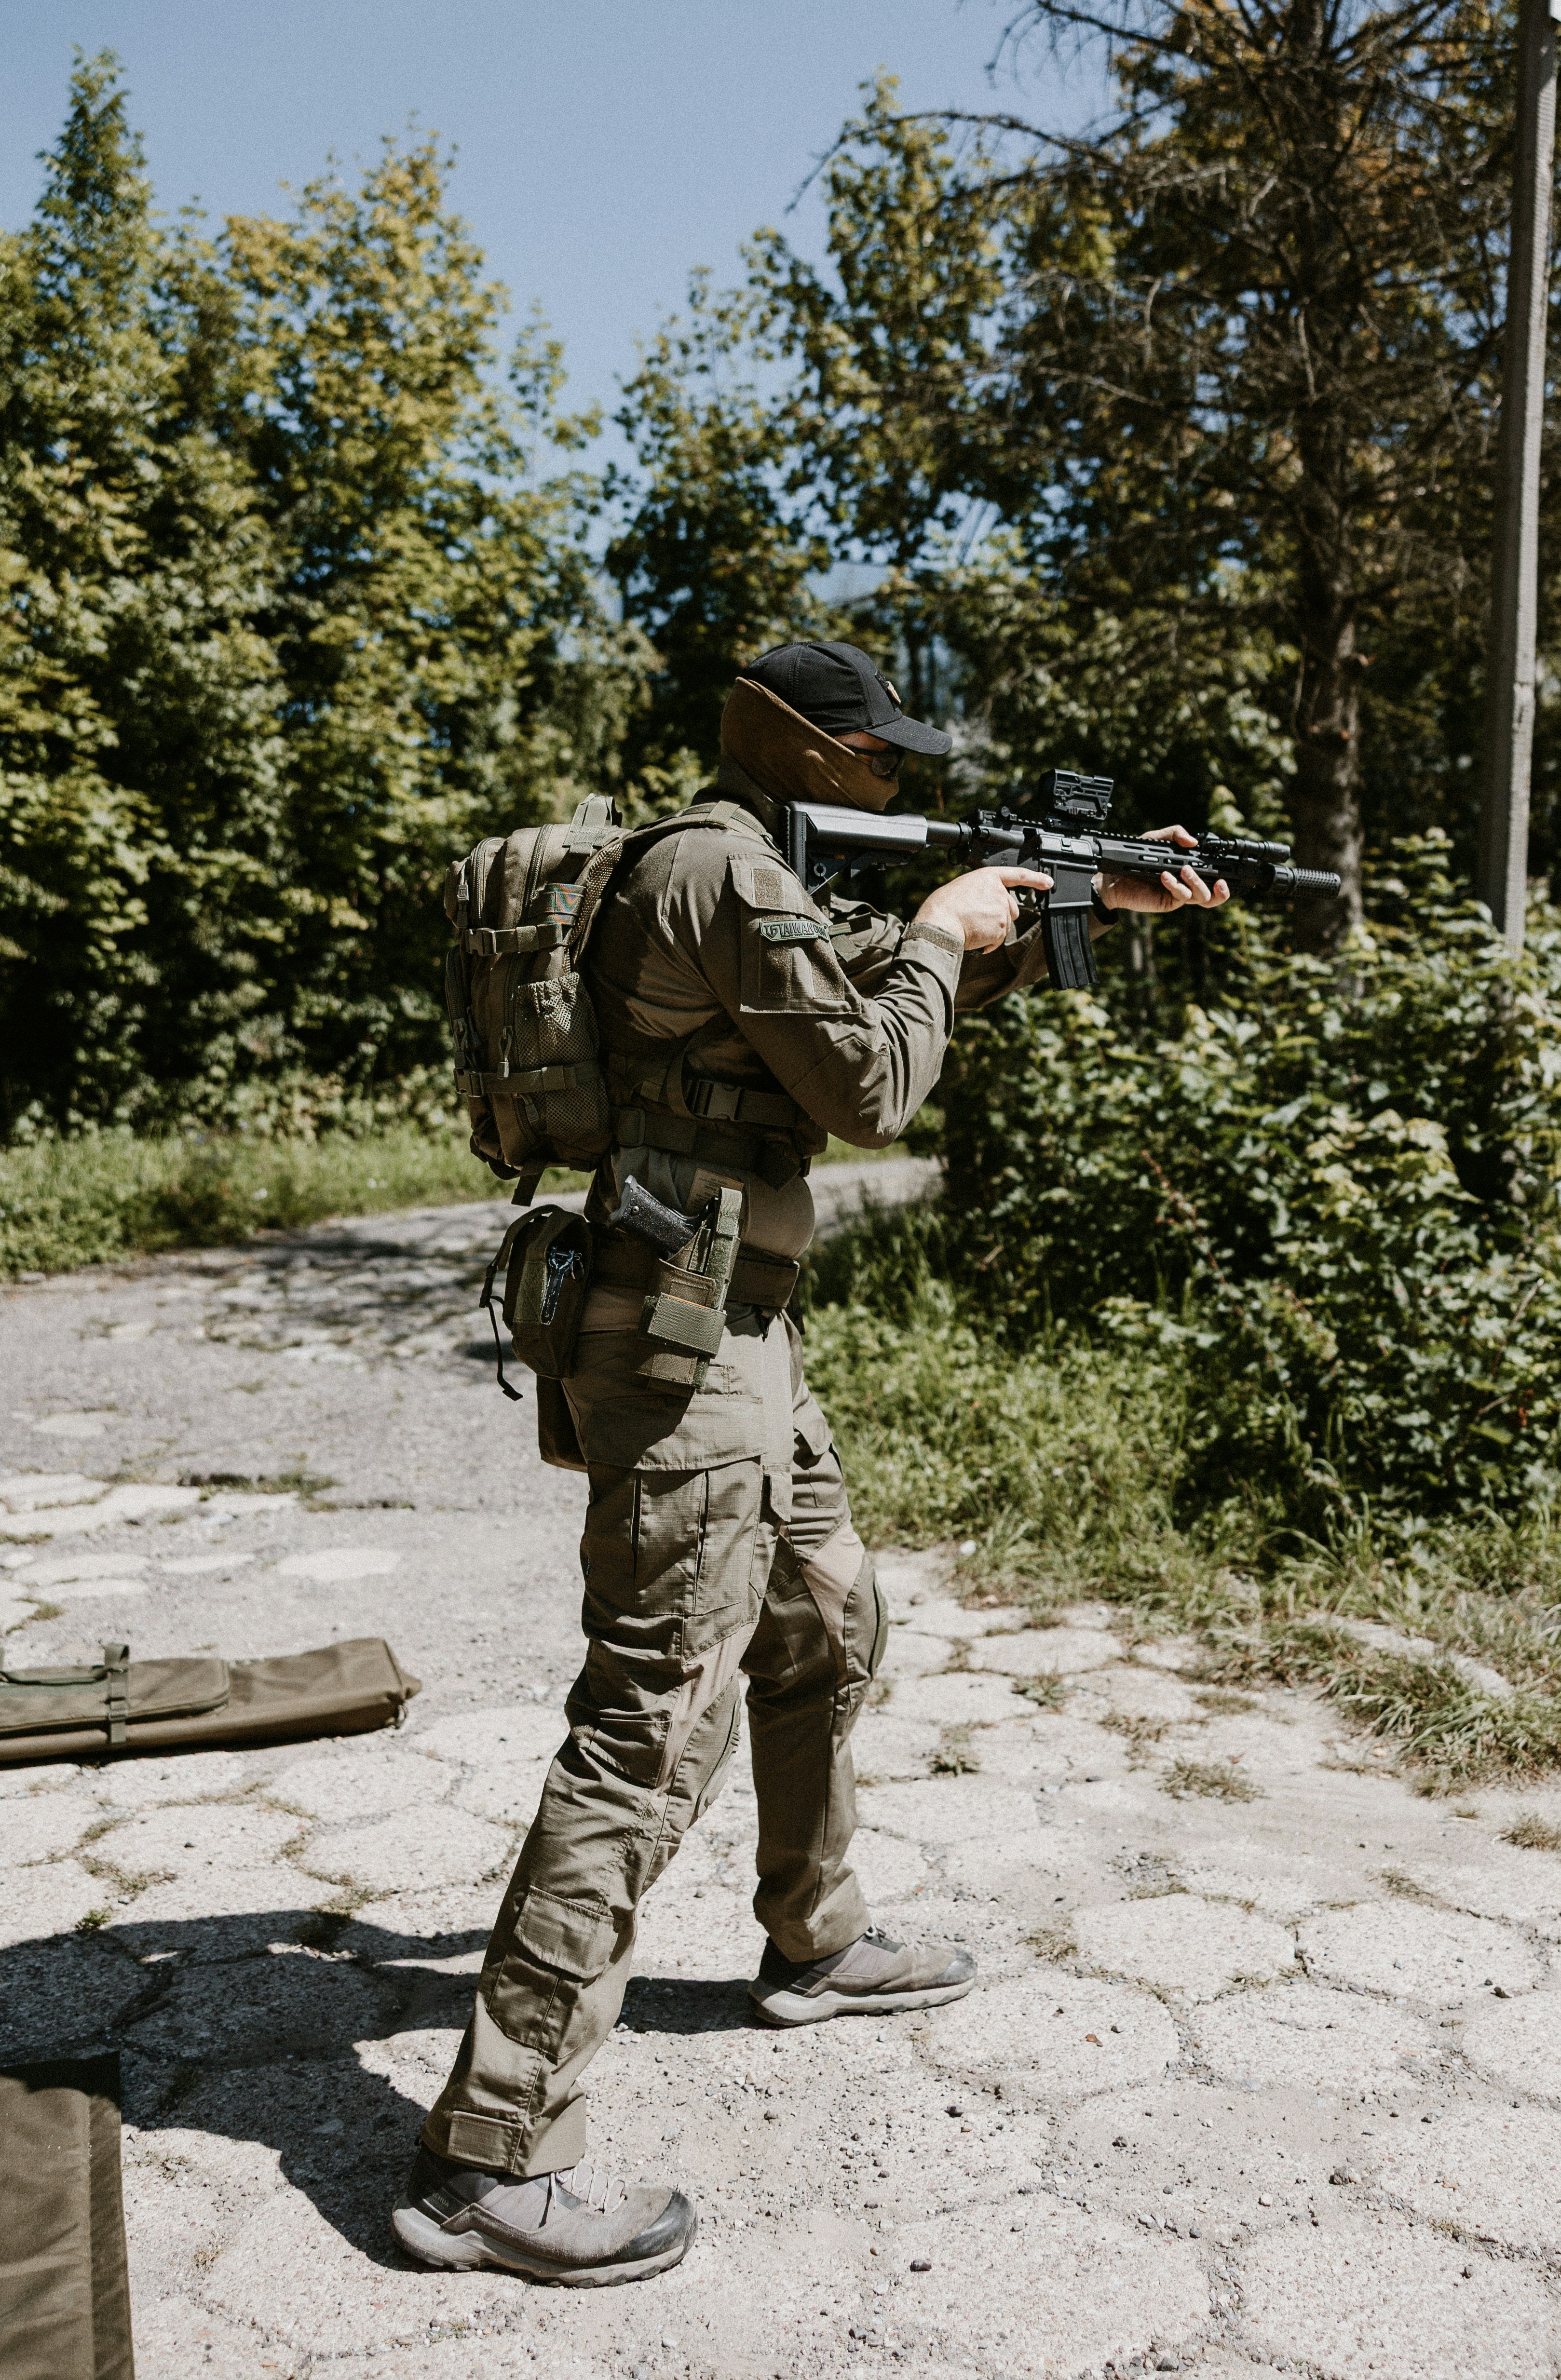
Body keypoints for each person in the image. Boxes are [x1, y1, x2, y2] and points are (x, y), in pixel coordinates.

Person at [392, 641, 1228, 2287]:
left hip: (744, 1330)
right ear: (798, 747)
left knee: (827, 1620)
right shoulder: (717, 870)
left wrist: (1056, 922)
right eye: (875, 750)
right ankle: (486, 2158)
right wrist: (941, 930)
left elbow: (834, 1023)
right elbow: (870, 1084)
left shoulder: (752, 873)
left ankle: (812, 1937)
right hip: (686, 1346)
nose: (898, 773)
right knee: (649, 1725)